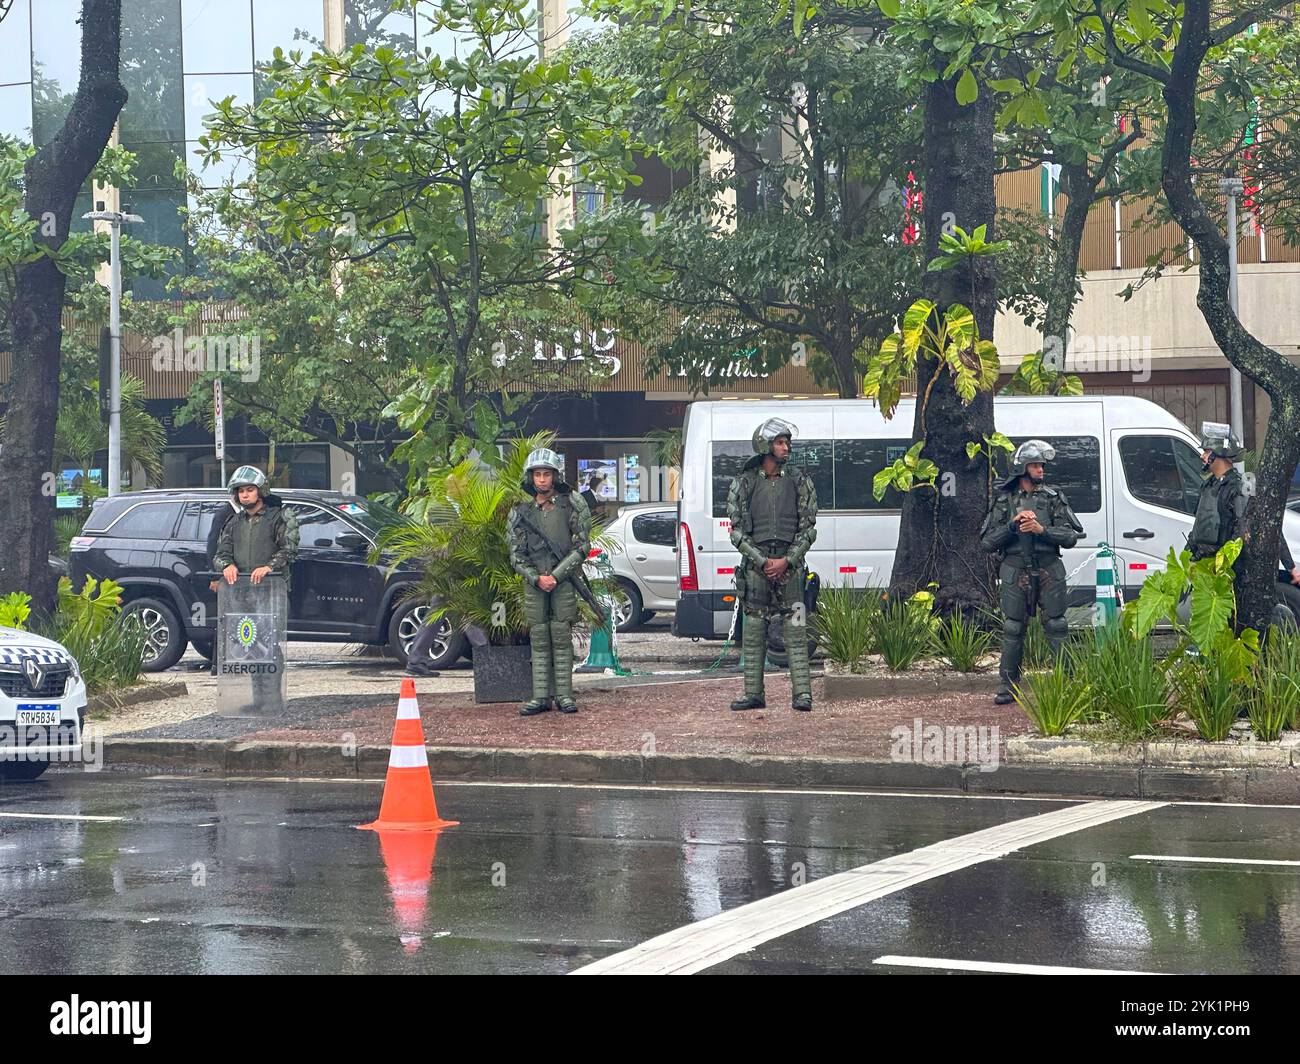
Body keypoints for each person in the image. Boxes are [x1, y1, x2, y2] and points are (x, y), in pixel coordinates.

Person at [980, 440, 1084, 706]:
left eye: (1041, 465)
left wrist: (1042, 530)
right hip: (1016, 570)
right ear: (1022, 469)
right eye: (1036, 465)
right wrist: (1013, 526)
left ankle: (1067, 683)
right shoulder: (1004, 499)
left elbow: (1072, 535)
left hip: (1049, 567)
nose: (1041, 469)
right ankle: (1007, 684)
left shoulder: (1053, 497)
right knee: (1013, 628)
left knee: (1057, 625)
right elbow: (987, 541)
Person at [726, 418, 818, 712]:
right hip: (757, 567)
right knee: (753, 631)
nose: (786, 447)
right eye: (780, 442)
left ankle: (802, 694)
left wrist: (787, 560)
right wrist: (763, 561)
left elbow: (809, 529)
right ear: (766, 446)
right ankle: (753, 693)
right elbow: (736, 531)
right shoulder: (744, 482)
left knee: (796, 630)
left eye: (787, 442)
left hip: (791, 566)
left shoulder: (800, 480)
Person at [507, 449, 593, 716]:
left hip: (564, 581)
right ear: (530, 477)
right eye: (537, 474)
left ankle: (565, 696)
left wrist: (556, 576)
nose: (542, 480)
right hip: (535, 583)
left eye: (546, 474)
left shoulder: (573, 504)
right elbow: (515, 554)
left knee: (561, 635)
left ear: (555, 476)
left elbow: (582, 546)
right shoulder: (520, 512)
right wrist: (536, 578)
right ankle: (540, 696)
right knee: (539, 638)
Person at [1189, 428, 1300, 628]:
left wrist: (1290, 565)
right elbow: (1199, 526)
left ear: (1218, 454)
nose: (1202, 455)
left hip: (1231, 573)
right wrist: (1189, 555)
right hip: (1206, 567)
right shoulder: (1209, 486)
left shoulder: (1238, 489)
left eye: (1206, 451)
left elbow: (1258, 528)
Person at [211, 467, 299, 709]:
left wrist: (269, 567)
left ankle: (272, 700)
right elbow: (220, 554)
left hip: (271, 592)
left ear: (260, 491)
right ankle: (258, 701)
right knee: (250, 645)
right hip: (241, 593)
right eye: (241, 491)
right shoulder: (232, 522)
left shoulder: (280, 517)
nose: (245, 495)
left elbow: (290, 549)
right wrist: (226, 565)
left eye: (249, 490)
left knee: (269, 645)